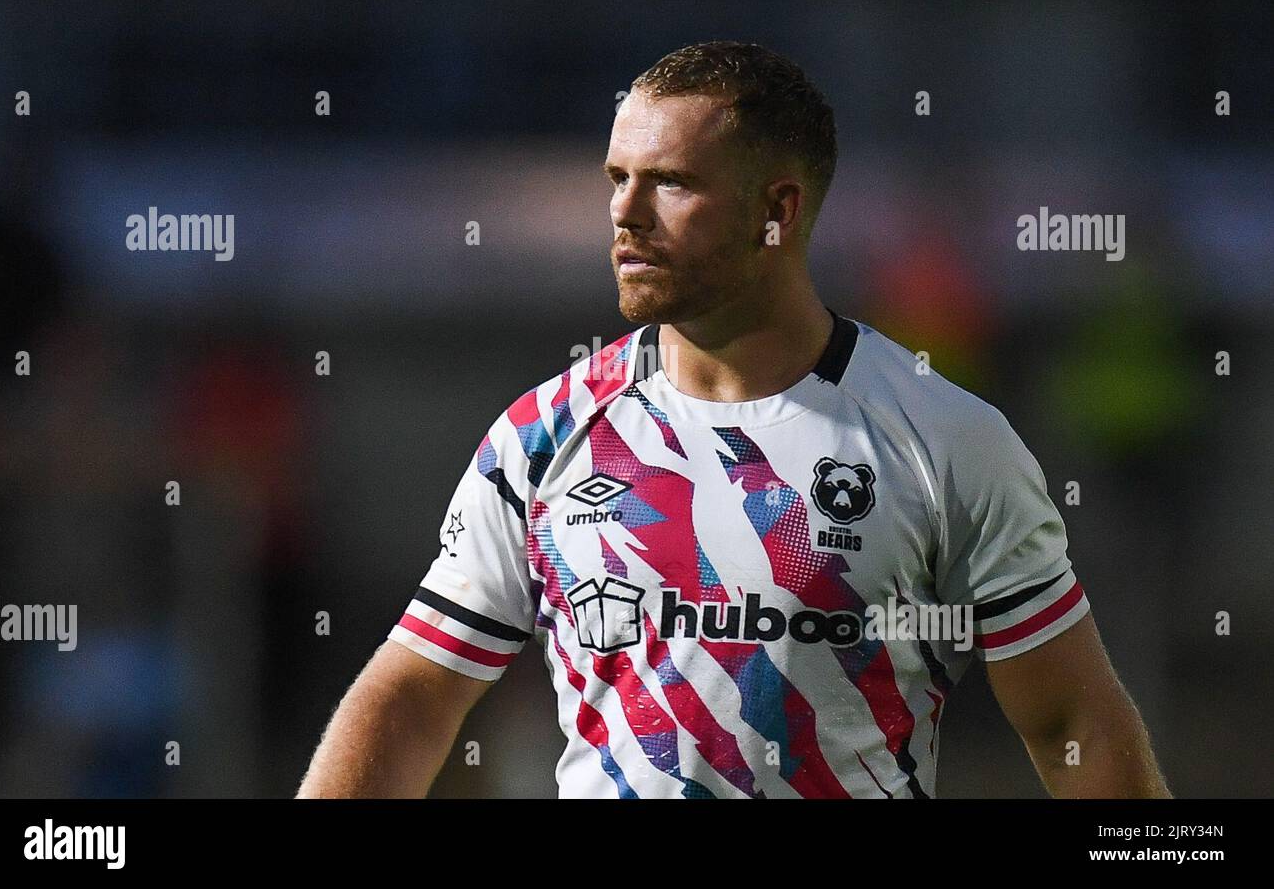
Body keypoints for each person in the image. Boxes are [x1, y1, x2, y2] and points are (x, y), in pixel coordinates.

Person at [298, 41, 1170, 798]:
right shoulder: (541, 436)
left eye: (670, 182)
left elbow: (1073, 722)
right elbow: (412, 694)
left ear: (778, 211)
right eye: (617, 178)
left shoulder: (944, 440)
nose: (624, 212)